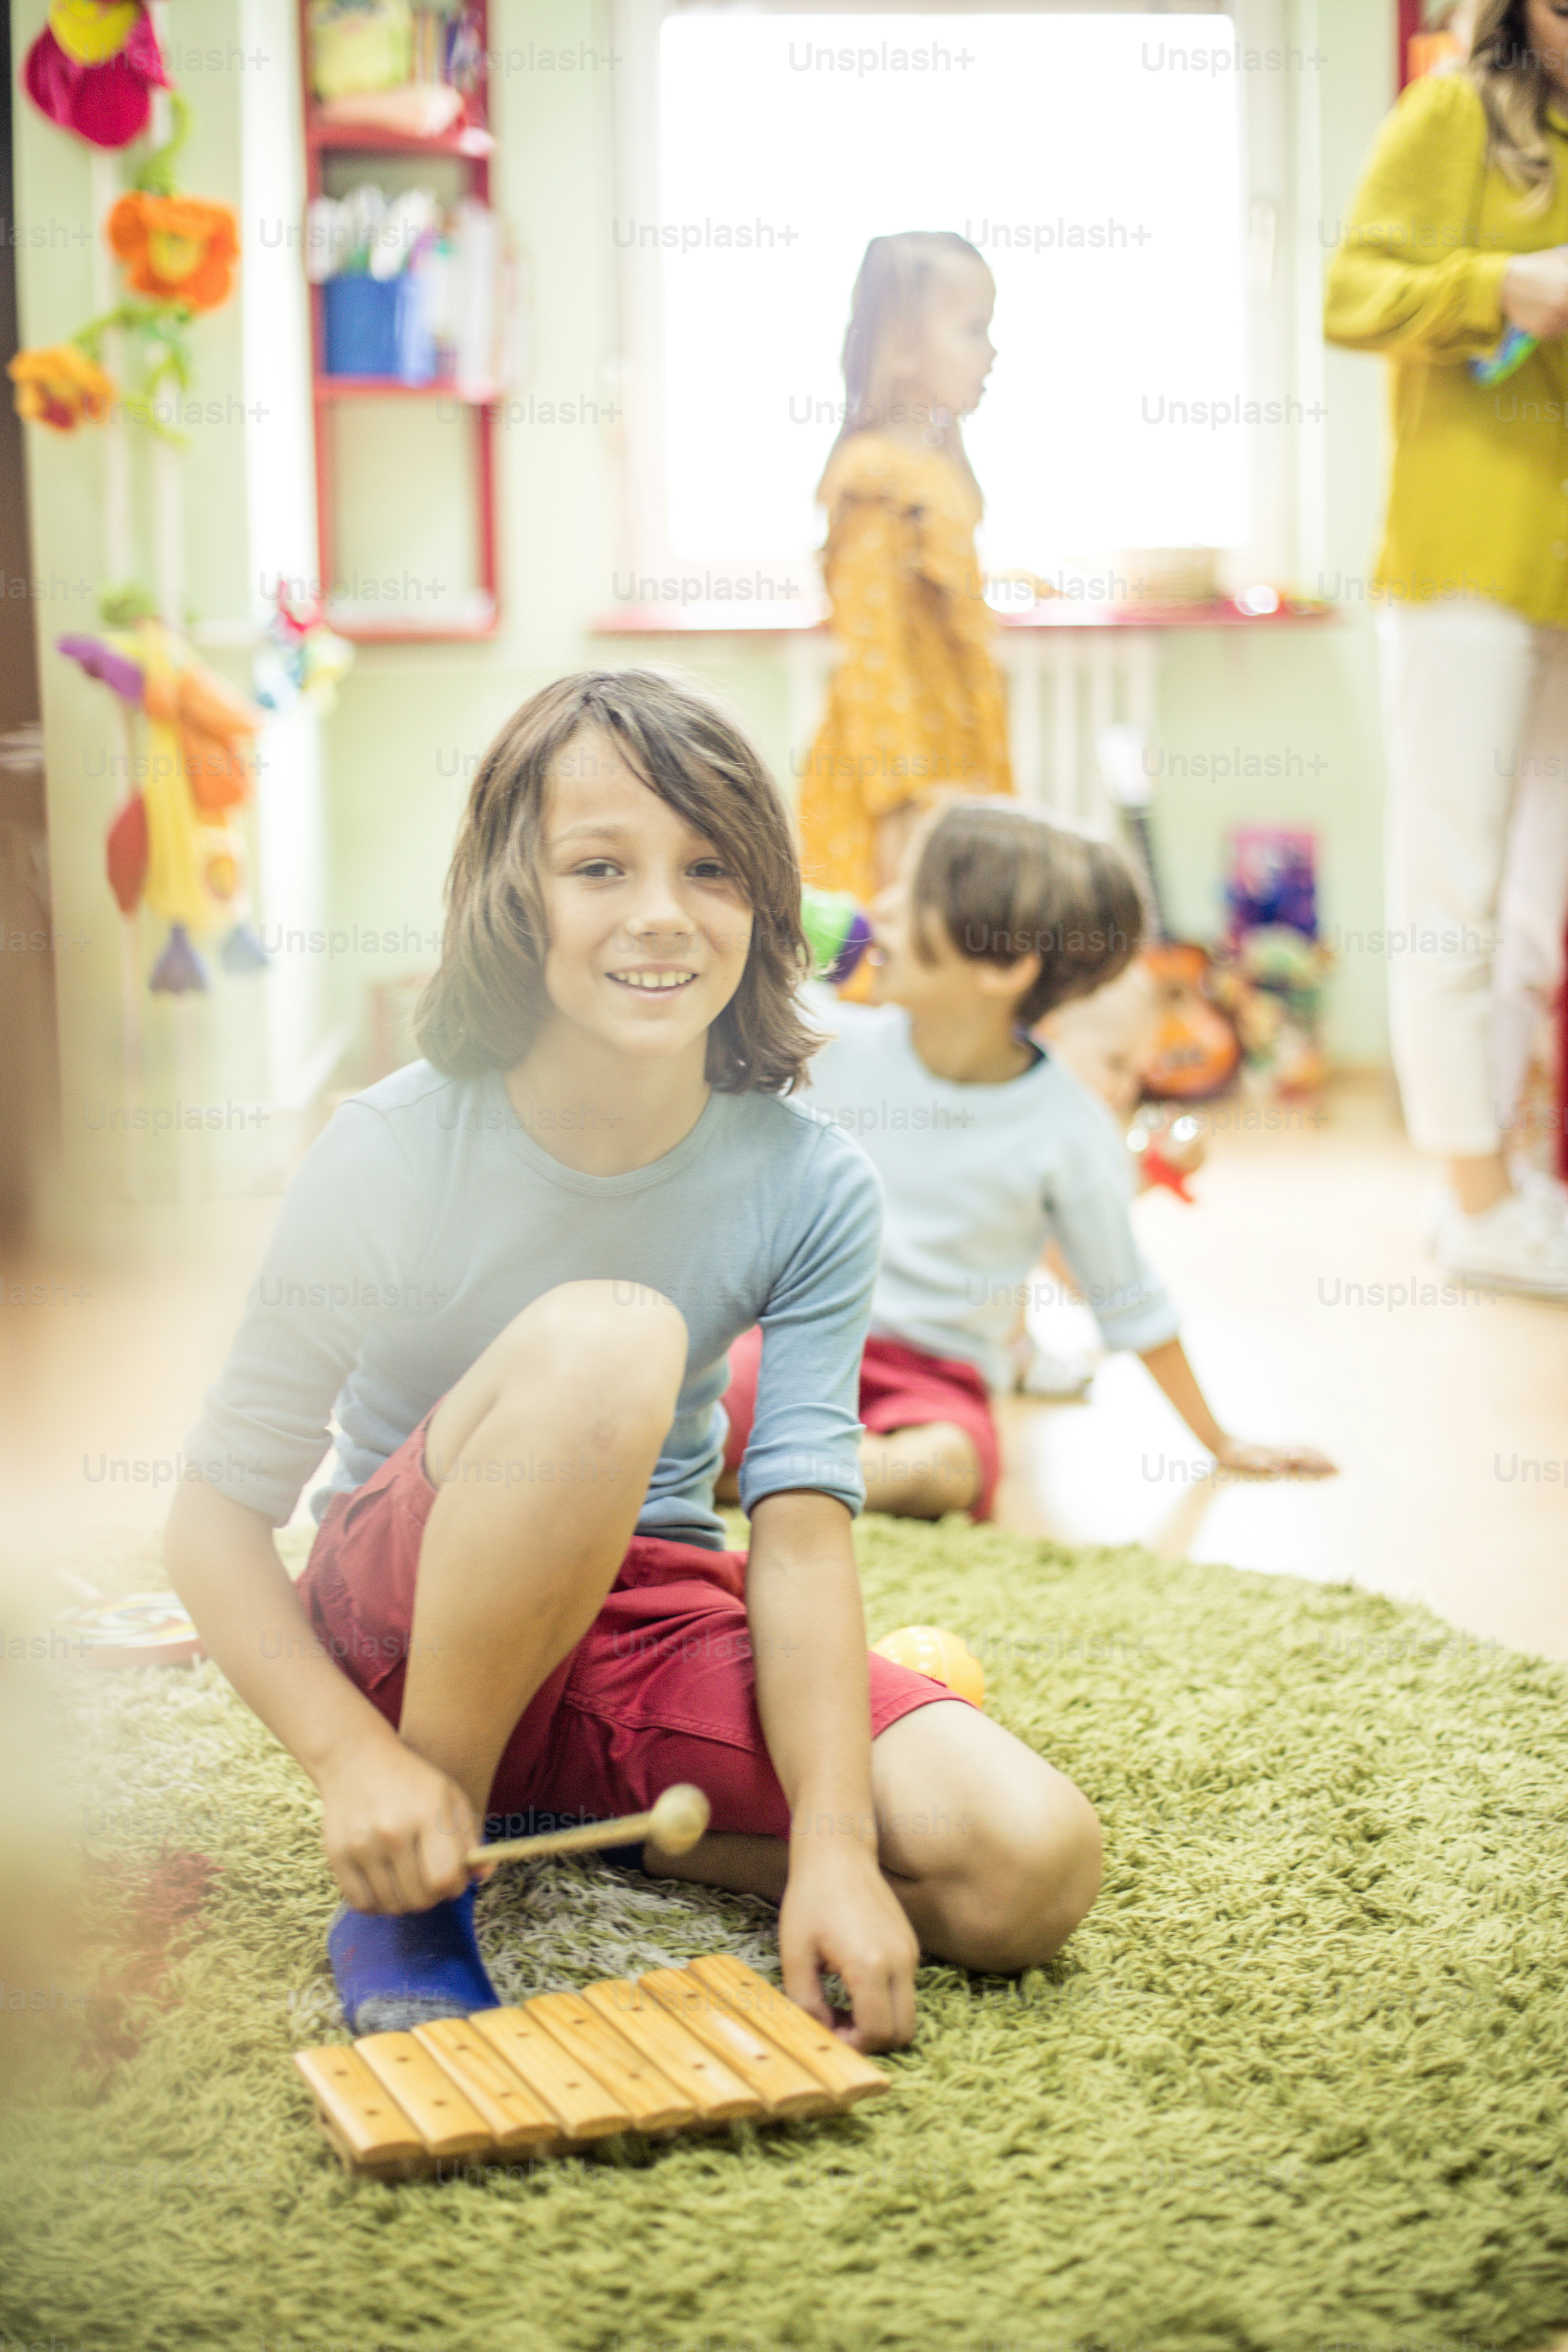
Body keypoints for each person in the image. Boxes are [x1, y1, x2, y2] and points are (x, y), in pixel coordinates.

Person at [162, 672, 1101, 2054]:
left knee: (1029, 1863)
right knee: (617, 1334)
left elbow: (793, 1539)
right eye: (599, 866)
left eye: (709, 867)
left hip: (643, 1619)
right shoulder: (383, 1149)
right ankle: (419, 1880)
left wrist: (835, 1845)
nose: (661, 912)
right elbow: (212, 1519)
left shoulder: (813, 1181)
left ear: (764, 904)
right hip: (402, 1632)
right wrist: (353, 1764)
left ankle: (552, 1831)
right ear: (510, 898)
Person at [722, 802, 1334, 1521]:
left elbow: (1126, 1295)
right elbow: (722, 993)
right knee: (694, 1393)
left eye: (910, 896)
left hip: (935, 1378)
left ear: (1005, 967)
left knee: (948, 1467)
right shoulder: (828, 1041)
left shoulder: (1069, 1129)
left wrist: (1219, 1439)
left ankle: (752, 1473)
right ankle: (788, 1472)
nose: (878, 906)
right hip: (793, 1342)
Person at [1324, 0, 1568, 1294]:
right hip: (1462, 567)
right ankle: (1472, 1201)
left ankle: (1501, 1181)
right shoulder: (1450, 114)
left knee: (1537, 901)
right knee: (1452, 893)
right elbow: (1351, 293)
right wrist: (1508, 285)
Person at [795, 231, 1017, 905]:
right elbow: (873, 658)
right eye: (973, 331)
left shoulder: (932, 468)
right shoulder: (879, 482)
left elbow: (936, 599)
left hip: (951, 756)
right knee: (892, 956)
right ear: (904, 347)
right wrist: (900, 808)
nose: (992, 352)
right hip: (899, 776)